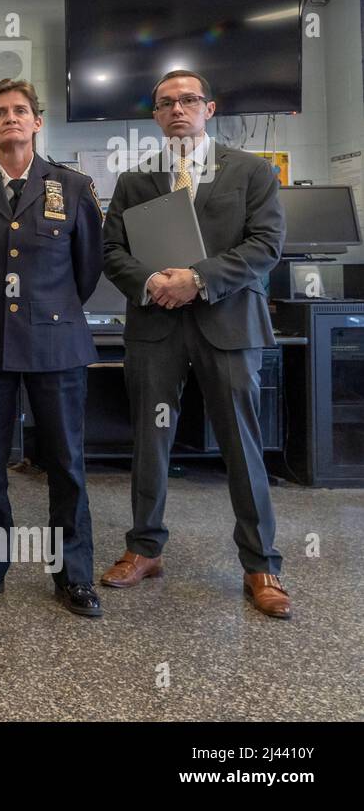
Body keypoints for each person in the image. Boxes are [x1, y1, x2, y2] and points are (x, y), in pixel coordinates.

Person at [100, 70, 289, 618]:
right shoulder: (136, 180)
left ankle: (261, 564)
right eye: (165, 104)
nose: (177, 110)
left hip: (227, 323)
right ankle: (144, 549)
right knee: (150, 440)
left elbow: (267, 244)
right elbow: (113, 251)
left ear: (209, 107)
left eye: (188, 101)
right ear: (155, 116)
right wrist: (150, 281)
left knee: (240, 444)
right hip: (156, 323)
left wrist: (198, 279)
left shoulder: (251, 171)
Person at [0, 78, 105, 617]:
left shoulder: (73, 187)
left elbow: (86, 271)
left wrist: (45, 310)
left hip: (56, 342)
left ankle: (73, 574)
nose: (11, 119)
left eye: (21, 111)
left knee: (65, 463)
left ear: (37, 121)